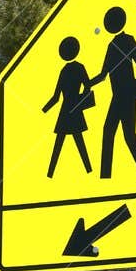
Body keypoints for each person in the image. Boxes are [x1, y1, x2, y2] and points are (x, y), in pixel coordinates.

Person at [88, 6, 136, 179]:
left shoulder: (127, 41)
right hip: (119, 96)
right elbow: (103, 75)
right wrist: (87, 83)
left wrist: (135, 87)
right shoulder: (112, 45)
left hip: (126, 95)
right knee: (112, 132)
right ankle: (106, 177)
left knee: (126, 135)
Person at [41, 36, 94, 177]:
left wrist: (44, 110)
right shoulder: (78, 68)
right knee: (76, 142)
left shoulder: (64, 70)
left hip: (66, 110)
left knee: (63, 143)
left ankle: (50, 174)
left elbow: (56, 98)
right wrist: (42, 111)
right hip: (73, 109)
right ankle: (88, 171)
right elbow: (87, 87)